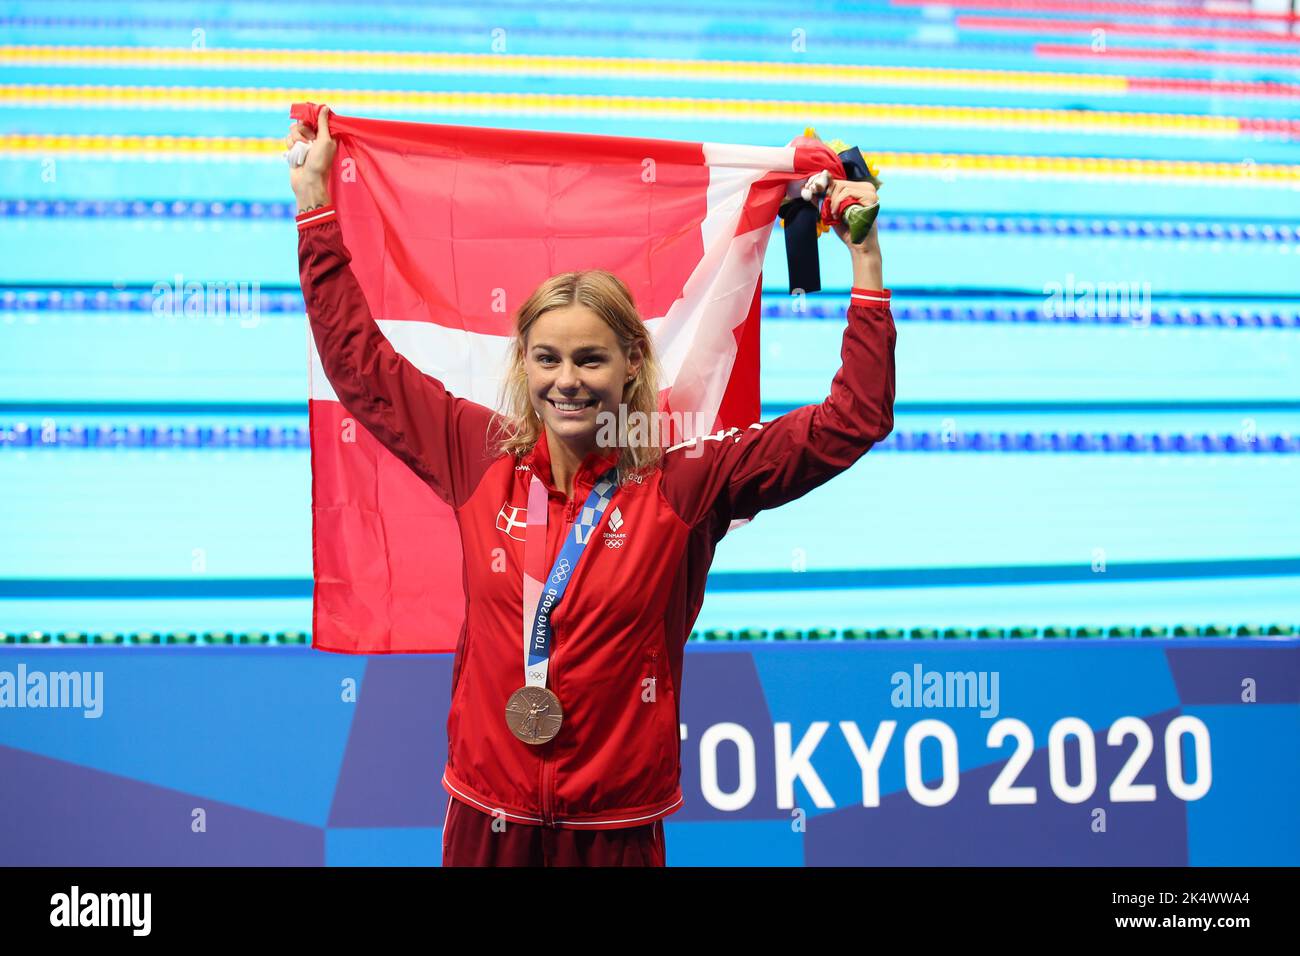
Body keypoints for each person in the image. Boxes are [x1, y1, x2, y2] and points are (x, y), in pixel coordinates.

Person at [287, 105, 897, 867]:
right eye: (548, 359)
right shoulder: (478, 456)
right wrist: (316, 208)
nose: (567, 382)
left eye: (590, 361)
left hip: (615, 828)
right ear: (524, 365)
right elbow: (360, 366)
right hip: (488, 817)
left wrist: (864, 262)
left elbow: (852, 420)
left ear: (632, 364)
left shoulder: (684, 482)